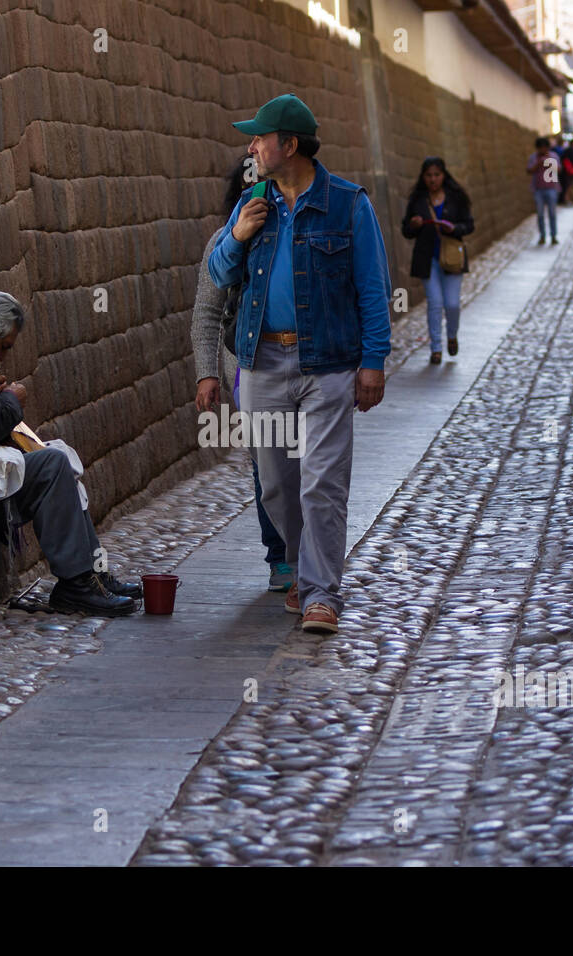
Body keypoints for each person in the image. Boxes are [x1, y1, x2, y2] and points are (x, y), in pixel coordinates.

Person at [208, 93, 392, 636]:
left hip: (329, 363)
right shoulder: (251, 203)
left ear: (289, 145)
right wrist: (237, 238)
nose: (252, 145)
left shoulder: (348, 204)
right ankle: (298, 569)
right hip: (261, 362)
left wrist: (373, 361)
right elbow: (218, 274)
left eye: (260, 137)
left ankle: (320, 594)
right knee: (276, 486)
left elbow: (373, 290)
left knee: (322, 483)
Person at [0, 290, 140, 616]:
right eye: (3, 345)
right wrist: (12, 400)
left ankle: (91, 574)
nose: (2, 355)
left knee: (55, 458)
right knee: (52, 464)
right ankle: (77, 583)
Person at [192, 160, 293, 592]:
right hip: (247, 368)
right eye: (252, 187)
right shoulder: (223, 241)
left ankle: (311, 552)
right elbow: (208, 312)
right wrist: (207, 374)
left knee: (307, 461)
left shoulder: (295, 233)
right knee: (266, 463)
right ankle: (281, 557)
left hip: (303, 363)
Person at [400, 157, 475, 364]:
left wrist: (454, 228)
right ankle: (436, 348)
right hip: (428, 259)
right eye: (428, 175)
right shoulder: (418, 200)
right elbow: (406, 230)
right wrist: (414, 225)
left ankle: (452, 336)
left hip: (452, 258)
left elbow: (469, 225)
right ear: (423, 177)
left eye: (436, 175)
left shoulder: (456, 197)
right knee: (435, 303)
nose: (432, 179)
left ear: (443, 175)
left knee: (451, 304)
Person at [527, 136, 560, 245]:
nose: (542, 150)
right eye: (540, 148)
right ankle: (542, 236)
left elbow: (560, 170)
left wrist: (551, 164)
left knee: (552, 213)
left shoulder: (553, 156)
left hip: (551, 188)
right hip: (538, 189)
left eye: (544, 147)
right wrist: (538, 163)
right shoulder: (534, 158)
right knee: (540, 214)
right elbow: (529, 170)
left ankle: (554, 236)